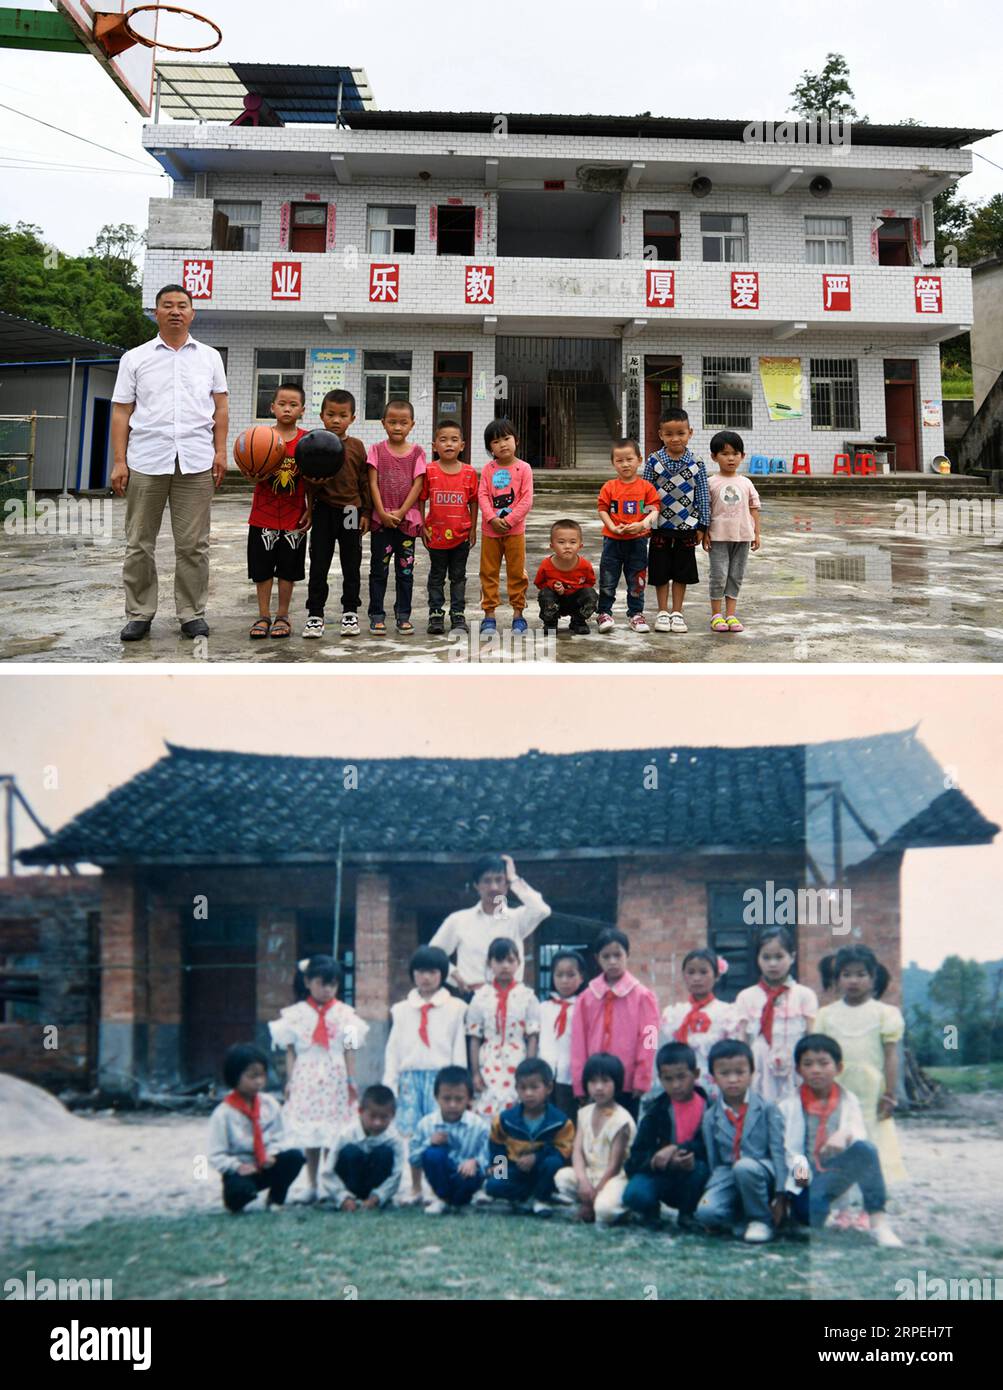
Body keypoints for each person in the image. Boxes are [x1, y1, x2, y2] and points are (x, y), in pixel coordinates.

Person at [111, 283, 228, 641]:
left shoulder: (210, 357)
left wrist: (220, 451)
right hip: (146, 460)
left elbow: (220, 407)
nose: (175, 311)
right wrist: (119, 461)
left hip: (195, 461)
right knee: (139, 543)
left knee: (193, 544)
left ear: (192, 313)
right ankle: (140, 613)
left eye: (182, 305)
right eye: (167, 305)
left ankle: (191, 613)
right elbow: (121, 411)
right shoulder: (135, 358)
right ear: (156, 312)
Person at [780, 1035, 903, 1247]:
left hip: (834, 1173)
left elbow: (858, 1134)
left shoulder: (848, 1099)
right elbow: (791, 1152)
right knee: (809, 1217)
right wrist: (806, 1186)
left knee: (866, 1150)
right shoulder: (787, 1105)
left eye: (823, 1063)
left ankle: (878, 1222)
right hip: (805, 1179)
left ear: (838, 1067)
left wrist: (845, 1133)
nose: (816, 1070)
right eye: (808, 1064)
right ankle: (806, 1212)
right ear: (799, 1070)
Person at [268, 955, 368, 1201]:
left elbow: (350, 1049)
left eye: (332, 985)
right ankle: (311, 1184)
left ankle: (330, 1183)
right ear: (308, 982)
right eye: (322, 983)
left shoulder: (346, 1015)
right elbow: (291, 1051)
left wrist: (351, 1079)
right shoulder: (295, 1015)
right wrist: (290, 1080)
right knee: (310, 1134)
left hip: (335, 1076)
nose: (327, 990)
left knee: (332, 1134)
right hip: (307, 1075)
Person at [815, 946, 907, 1194]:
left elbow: (890, 1056)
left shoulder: (885, 1014)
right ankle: (840, 1199)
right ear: (837, 979)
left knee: (869, 1140)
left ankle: (871, 1203)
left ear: (873, 977)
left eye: (860, 974)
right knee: (837, 1138)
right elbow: (818, 1057)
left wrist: (890, 1092)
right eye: (846, 974)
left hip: (870, 1091)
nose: (853, 981)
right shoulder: (826, 1015)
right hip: (838, 1089)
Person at [383, 945, 468, 1204]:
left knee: (441, 1132)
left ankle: (438, 1186)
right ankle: (415, 1186)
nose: (426, 978)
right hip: (409, 1079)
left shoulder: (456, 1008)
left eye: (432, 971)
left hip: (441, 1080)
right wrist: (390, 1083)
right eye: (420, 972)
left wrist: (458, 1083)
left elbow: (458, 1047)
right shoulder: (400, 1009)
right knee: (412, 1135)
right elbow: (393, 1048)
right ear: (412, 974)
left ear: (442, 974)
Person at [695, 1039, 786, 1243]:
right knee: (706, 1213)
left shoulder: (768, 1108)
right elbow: (714, 1160)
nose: (733, 1079)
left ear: (752, 1073)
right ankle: (738, 1215)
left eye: (740, 1072)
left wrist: (781, 1195)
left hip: (761, 1170)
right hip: (728, 1173)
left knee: (744, 1167)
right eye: (724, 1073)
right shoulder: (710, 1116)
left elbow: (778, 1151)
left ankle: (761, 1220)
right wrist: (715, 1188)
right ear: (713, 1077)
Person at [569, 927, 659, 1118]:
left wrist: (642, 1078)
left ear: (627, 955)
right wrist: (580, 1083)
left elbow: (650, 1039)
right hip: (595, 1083)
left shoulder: (643, 996)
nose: (612, 961)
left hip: (627, 1081)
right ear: (597, 958)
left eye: (618, 955)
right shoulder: (586, 998)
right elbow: (578, 1043)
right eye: (606, 956)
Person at [302, 388, 370, 639]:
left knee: (351, 562)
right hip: (323, 510)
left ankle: (350, 611)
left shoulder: (357, 446)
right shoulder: (314, 443)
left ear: (352, 418)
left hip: (351, 510)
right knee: (319, 563)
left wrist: (366, 512)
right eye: (331, 414)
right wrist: (309, 510)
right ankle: (315, 614)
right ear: (321, 416)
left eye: (343, 415)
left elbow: (364, 481)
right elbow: (308, 483)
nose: (336, 420)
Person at [429, 853, 550, 994]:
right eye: (487, 881)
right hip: (472, 996)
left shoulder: (517, 918)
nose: (494, 887)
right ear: (476, 885)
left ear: (507, 885)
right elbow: (433, 954)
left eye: (499, 880)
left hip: (511, 998)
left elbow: (542, 910)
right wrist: (455, 976)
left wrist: (514, 878)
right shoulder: (458, 920)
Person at [207, 1043, 304, 1213]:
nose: (259, 1081)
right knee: (240, 1192)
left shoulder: (269, 1104)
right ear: (235, 1077)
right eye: (252, 1076)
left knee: (295, 1157)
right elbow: (216, 1155)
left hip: (266, 1164)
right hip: (242, 1169)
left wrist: (272, 1154)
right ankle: (239, 1198)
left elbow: (282, 1135)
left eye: (262, 1075)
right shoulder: (223, 1114)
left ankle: (276, 1199)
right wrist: (237, 1166)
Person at [623, 1041, 710, 1230]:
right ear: (660, 1079)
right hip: (662, 1175)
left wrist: (679, 1149)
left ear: (695, 1075)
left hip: (694, 1176)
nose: (676, 1085)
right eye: (668, 1079)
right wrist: (656, 1160)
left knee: (701, 1168)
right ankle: (650, 1211)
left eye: (681, 1077)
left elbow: (711, 1147)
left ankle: (688, 1213)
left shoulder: (709, 1108)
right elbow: (635, 1157)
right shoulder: (656, 1110)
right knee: (634, 1195)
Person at [246, 383, 309, 641]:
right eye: (282, 403)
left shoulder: (307, 441)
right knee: (262, 569)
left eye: (293, 404)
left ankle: (283, 614)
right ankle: (263, 615)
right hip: (263, 516)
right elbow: (251, 473)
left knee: (288, 569)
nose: (287, 408)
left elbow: (311, 481)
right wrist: (252, 474)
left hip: (295, 515)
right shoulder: (258, 438)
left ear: (302, 410)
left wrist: (311, 510)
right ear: (272, 407)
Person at [642, 407, 710, 634]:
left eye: (680, 433)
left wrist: (703, 525)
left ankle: (677, 612)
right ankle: (662, 611)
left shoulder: (697, 462)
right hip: (659, 526)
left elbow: (702, 494)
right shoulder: (653, 461)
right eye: (669, 433)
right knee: (660, 571)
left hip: (687, 527)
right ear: (660, 434)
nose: (675, 438)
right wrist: (645, 522)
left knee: (682, 572)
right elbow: (645, 492)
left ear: (690, 432)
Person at [734, 927, 817, 1103]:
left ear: (792, 957)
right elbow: (742, 1042)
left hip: (794, 1069)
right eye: (766, 957)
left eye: (779, 957)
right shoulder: (746, 997)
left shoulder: (804, 995)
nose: (772, 964)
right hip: (759, 1070)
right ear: (757, 959)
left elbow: (811, 1038)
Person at [484, 1058, 576, 1214]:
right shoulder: (506, 1119)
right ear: (516, 1089)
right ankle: (531, 1195)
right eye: (523, 1088)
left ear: (549, 1087)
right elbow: (497, 1145)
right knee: (493, 1186)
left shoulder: (560, 1121)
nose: (528, 1093)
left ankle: (541, 1199)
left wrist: (537, 1158)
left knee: (553, 1162)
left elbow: (562, 1150)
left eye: (534, 1087)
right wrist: (499, 1168)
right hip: (515, 1169)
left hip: (544, 1171)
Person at [367, 398, 426, 635]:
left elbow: (418, 485)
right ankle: (377, 615)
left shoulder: (417, 453)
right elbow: (372, 483)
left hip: (406, 522)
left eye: (403, 422)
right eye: (392, 422)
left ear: (412, 424)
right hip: (381, 522)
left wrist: (401, 513)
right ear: (383, 423)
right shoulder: (376, 450)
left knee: (405, 571)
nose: (397, 427)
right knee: (378, 571)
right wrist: (381, 512)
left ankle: (403, 615)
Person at [554, 1052, 636, 1225]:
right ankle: (589, 1202)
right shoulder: (584, 1112)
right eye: (593, 1082)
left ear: (617, 1084)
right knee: (562, 1178)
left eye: (605, 1081)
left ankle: (616, 1208)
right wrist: (584, 1182)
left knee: (604, 1211)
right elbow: (577, 1151)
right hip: (591, 1174)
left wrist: (594, 1194)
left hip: (613, 1177)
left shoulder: (621, 1120)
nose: (599, 1087)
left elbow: (614, 1166)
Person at [466, 936, 541, 1119]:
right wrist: (475, 1072)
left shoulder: (527, 996)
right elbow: (474, 1037)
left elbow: (532, 1036)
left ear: (518, 963)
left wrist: (529, 1070)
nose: (505, 966)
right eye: (499, 960)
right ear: (490, 963)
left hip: (517, 1060)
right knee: (487, 1107)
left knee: (516, 1107)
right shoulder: (480, 997)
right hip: (489, 1060)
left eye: (510, 960)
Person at [596, 439, 660, 635]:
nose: (625, 464)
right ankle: (604, 613)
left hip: (638, 541)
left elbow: (654, 510)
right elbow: (602, 509)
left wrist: (642, 525)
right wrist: (612, 527)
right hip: (612, 541)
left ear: (639, 460)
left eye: (629, 459)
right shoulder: (609, 486)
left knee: (637, 579)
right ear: (613, 463)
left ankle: (636, 614)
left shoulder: (647, 487)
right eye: (620, 460)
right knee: (608, 579)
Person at [421, 419, 478, 635]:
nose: (449, 444)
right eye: (443, 440)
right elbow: (422, 498)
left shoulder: (470, 472)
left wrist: (473, 528)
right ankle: (435, 613)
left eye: (454, 440)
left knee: (458, 576)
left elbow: (473, 501)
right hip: (435, 535)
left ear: (462, 445)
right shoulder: (429, 470)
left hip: (461, 535)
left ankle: (457, 614)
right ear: (434, 445)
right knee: (436, 576)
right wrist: (421, 525)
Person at [408, 1066, 491, 1214]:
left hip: (466, 1176)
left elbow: (495, 1158)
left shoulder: (479, 1126)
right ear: (436, 1097)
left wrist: (475, 1161)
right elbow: (413, 1158)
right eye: (446, 1098)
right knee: (433, 1154)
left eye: (459, 1099)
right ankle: (443, 1199)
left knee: (470, 1176)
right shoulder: (426, 1124)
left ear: (469, 1099)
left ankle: (466, 1198)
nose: (452, 1105)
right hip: (441, 1178)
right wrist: (429, 1143)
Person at [701, 430, 761, 634]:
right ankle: (717, 615)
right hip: (718, 537)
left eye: (735, 453)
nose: (731, 458)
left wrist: (757, 533)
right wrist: (705, 532)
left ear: (742, 456)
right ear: (714, 457)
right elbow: (705, 509)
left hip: (743, 537)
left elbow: (754, 508)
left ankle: (731, 614)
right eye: (725, 454)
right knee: (719, 575)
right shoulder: (710, 483)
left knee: (736, 575)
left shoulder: (746, 483)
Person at [478, 418, 533, 636]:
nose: (502, 444)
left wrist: (509, 521)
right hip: (490, 532)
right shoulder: (488, 470)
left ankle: (518, 614)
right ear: (490, 448)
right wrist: (491, 518)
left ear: (516, 441)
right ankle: (489, 614)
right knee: (488, 572)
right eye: (496, 441)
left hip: (515, 532)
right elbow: (482, 495)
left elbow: (526, 499)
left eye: (507, 438)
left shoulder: (524, 468)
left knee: (516, 572)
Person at [659, 948, 735, 1098]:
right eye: (691, 972)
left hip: (717, 1087)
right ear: (684, 976)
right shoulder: (673, 1014)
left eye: (703, 972)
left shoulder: (728, 1014)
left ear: (716, 975)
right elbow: (657, 1046)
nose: (697, 978)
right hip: (679, 1086)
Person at [322, 1084, 406, 1212]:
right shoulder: (345, 1135)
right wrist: (342, 1197)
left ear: (392, 1115)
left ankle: (372, 1200)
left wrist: (378, 1196)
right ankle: (350, 1201)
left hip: (376, 1186)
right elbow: (328, 1171)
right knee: (350, 1151)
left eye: (383, 1117)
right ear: (360, 1111)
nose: (377, 1123)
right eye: (372, 1116)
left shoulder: (394, 1139)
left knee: (384, 1152)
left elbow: (396, 1174)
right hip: (350, 1185)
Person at [538, 949, 586, 1120]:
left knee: (568, 1120)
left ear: (581, 977)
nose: (565, 980)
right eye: (559, 975)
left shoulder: (585, 1008)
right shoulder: (543, 1008)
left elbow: (650, 1032)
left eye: (571, 975)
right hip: (545, 1075)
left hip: (571, 1076)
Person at [535, 519, 597, 635]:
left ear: (580, 546)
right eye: (561, 542)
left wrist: (576, 590)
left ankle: (578, 621)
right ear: (552, 546)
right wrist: (553, 585)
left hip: (575, 601)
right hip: (555, 601)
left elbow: (590, 583)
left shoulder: (585, 565)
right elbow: (540, 584)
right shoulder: (546, 565)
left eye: (573, 542)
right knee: (545, 594)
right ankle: (550, 623)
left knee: (591, 594)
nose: (567, 546)